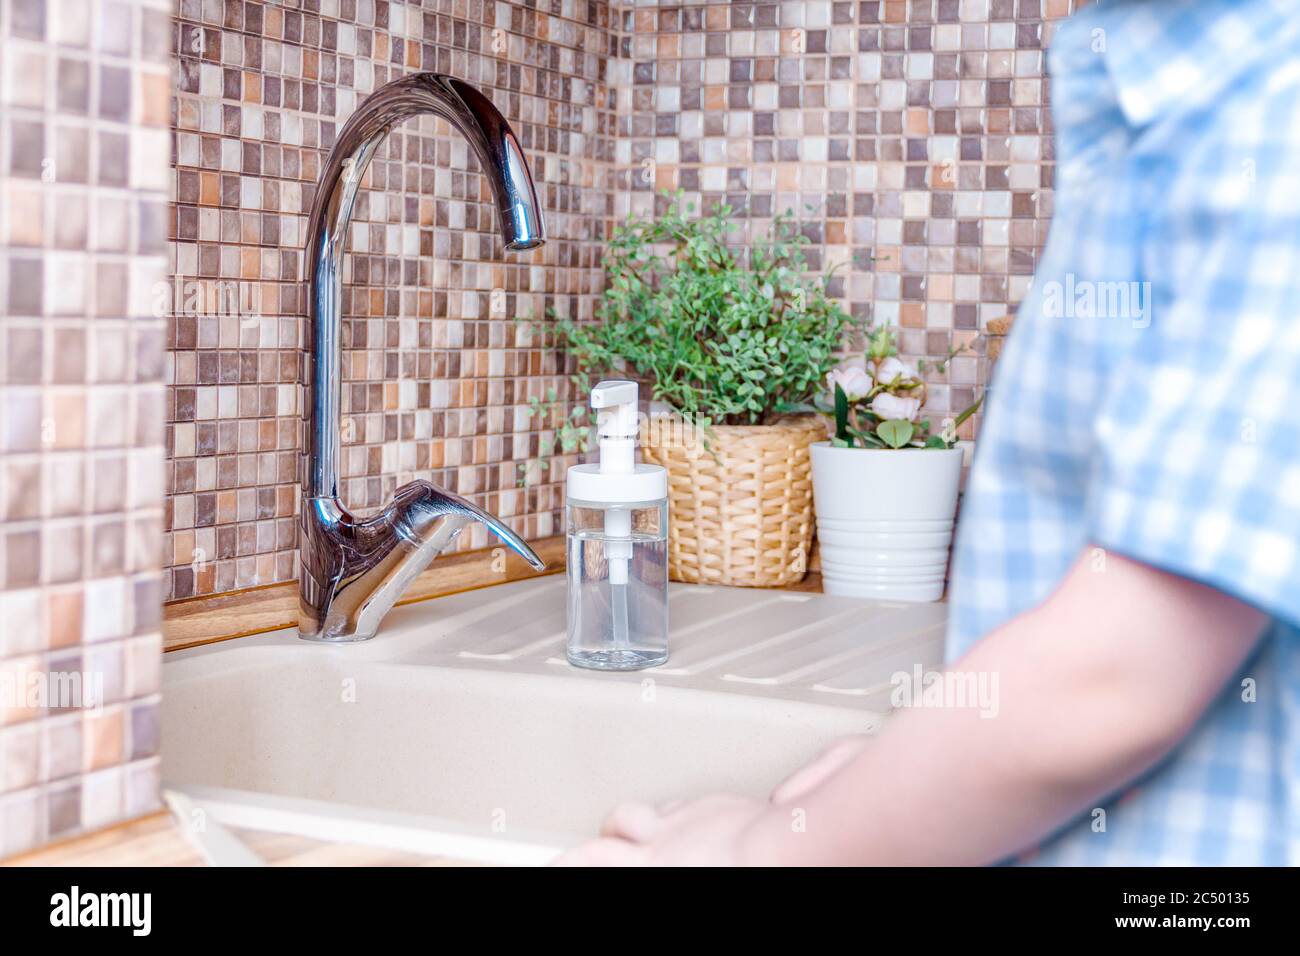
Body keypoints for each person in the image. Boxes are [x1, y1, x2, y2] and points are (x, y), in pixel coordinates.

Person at [556, 0, 1300, 866]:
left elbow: (1121, 675)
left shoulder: (1271, 106)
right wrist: (895, 780)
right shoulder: (1190, 105)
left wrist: (766, 851)